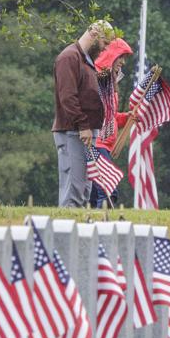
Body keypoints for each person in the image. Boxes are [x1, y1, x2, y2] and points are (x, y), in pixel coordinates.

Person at [52, 20, 115, 207]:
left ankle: (79, 232)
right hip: (73, 132)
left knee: (84, 190)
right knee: (73, 190)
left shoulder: (87, 61)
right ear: (95, 34)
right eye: (105, 44)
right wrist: (83, 125)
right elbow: (67, 97)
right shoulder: (69, 58)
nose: (104, 50)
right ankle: (65, 232)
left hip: (86, 133)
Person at [89, 38, 134, 208]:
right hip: (96, 141)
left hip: (105, 143)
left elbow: (110, 115)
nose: (122, 62)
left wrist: (126, 117)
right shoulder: (98, 78)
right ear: (111, 55)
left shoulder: (111, 80)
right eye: (120, 56)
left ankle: (92, 224)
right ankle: (103, 224)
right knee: (107, 188)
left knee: (96, 192)